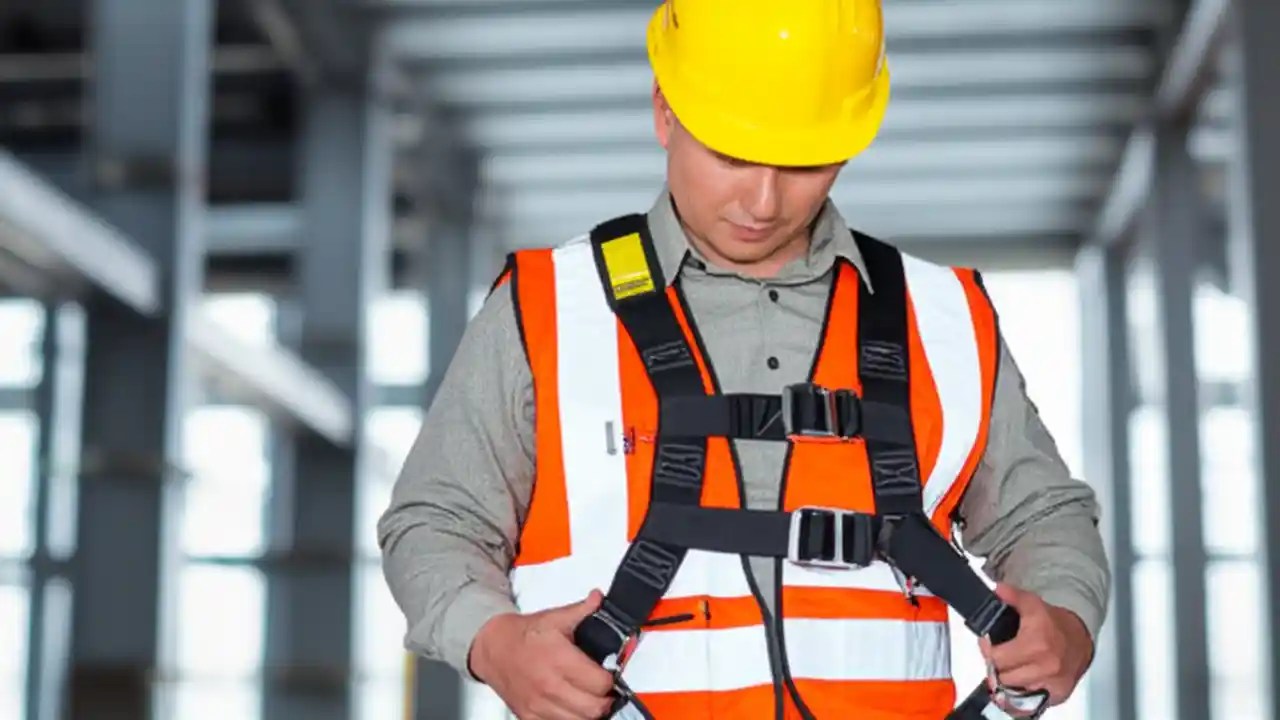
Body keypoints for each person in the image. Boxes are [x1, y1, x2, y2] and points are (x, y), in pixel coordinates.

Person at [378, 1, 1110, 718]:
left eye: (804, 162)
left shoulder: (943, 319)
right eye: (731, 154)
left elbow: (1042, 516)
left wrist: (1066, 624)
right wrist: (496, 644)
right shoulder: (548, 309)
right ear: (665, 112)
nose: (763, 201)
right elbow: (436, 521)